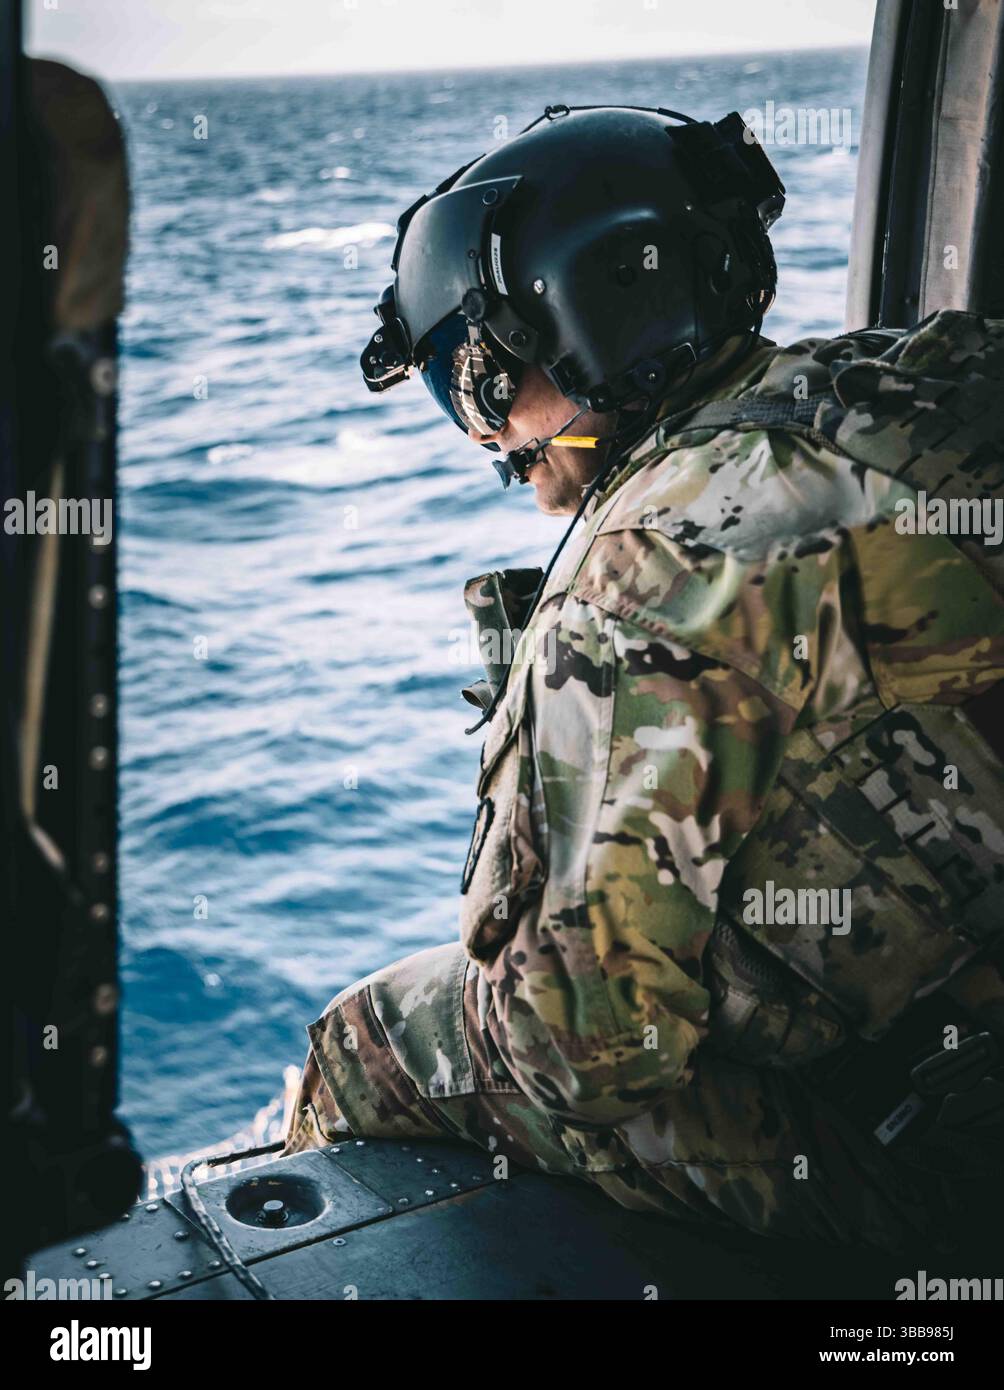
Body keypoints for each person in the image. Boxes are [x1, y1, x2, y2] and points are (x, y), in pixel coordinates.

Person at [285, 104, 1004, 1256]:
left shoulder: (648, 569)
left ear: (576, 330)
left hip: (942, 1178)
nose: (488, 437)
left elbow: (577, 1053)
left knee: (370, 1035)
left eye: (481, 383)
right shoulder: (927, 386)